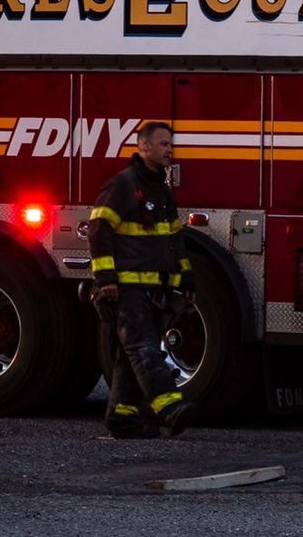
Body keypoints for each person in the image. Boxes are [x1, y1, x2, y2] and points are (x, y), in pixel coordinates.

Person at [90, 120, 195, 438]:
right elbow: (99, 230)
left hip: (156, 286)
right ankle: (169, 407)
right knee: (144, 347)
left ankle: (122, 417)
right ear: (144, 146)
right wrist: (105, 279)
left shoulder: (160, 189)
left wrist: (185, 278)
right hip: (128, 287)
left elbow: (174, 237)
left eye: (171, 145)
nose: (169, 150)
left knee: (129, 353)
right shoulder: (123, 185)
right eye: (163, 144)